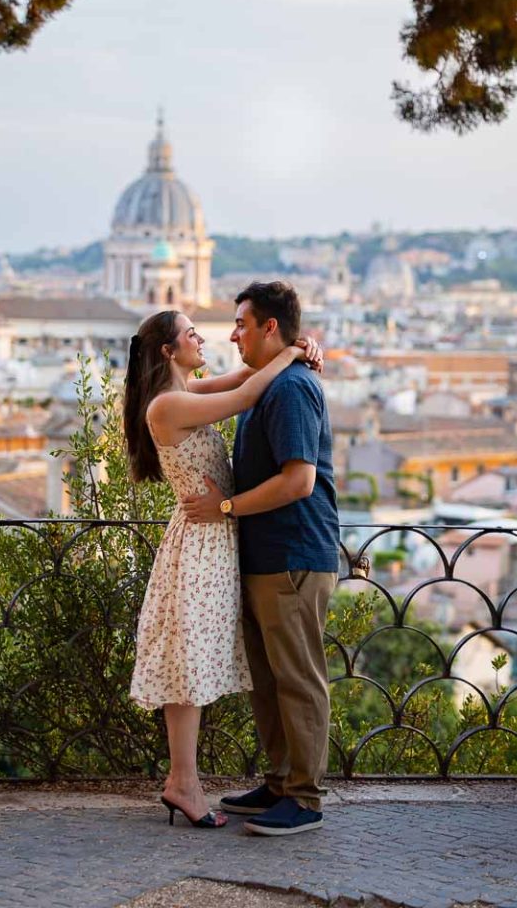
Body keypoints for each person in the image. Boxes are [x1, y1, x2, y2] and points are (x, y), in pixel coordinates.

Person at [123, 309, 321, 830]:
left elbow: (243, 378)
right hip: (201, 541)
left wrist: (298, 349)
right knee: (188, 664)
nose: (202, 338)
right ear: (169, 351)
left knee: (197, 660)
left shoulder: (187, 389)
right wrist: (295, 353)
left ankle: (185, 780)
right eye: (192, 334)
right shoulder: (168, 405)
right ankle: (182, 782)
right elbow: (247, 396)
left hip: (215, 539)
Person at [182, 281, 340, 837]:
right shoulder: (268, 383)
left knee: (297, 678)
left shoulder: (292, 389)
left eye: (242, 324)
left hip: (293, 553)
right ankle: (280, 782)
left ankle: (304, 797)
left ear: (270, 327)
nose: (232, 334)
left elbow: (298, 481)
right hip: (267, 554)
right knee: (270, 679)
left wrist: (223, 507)